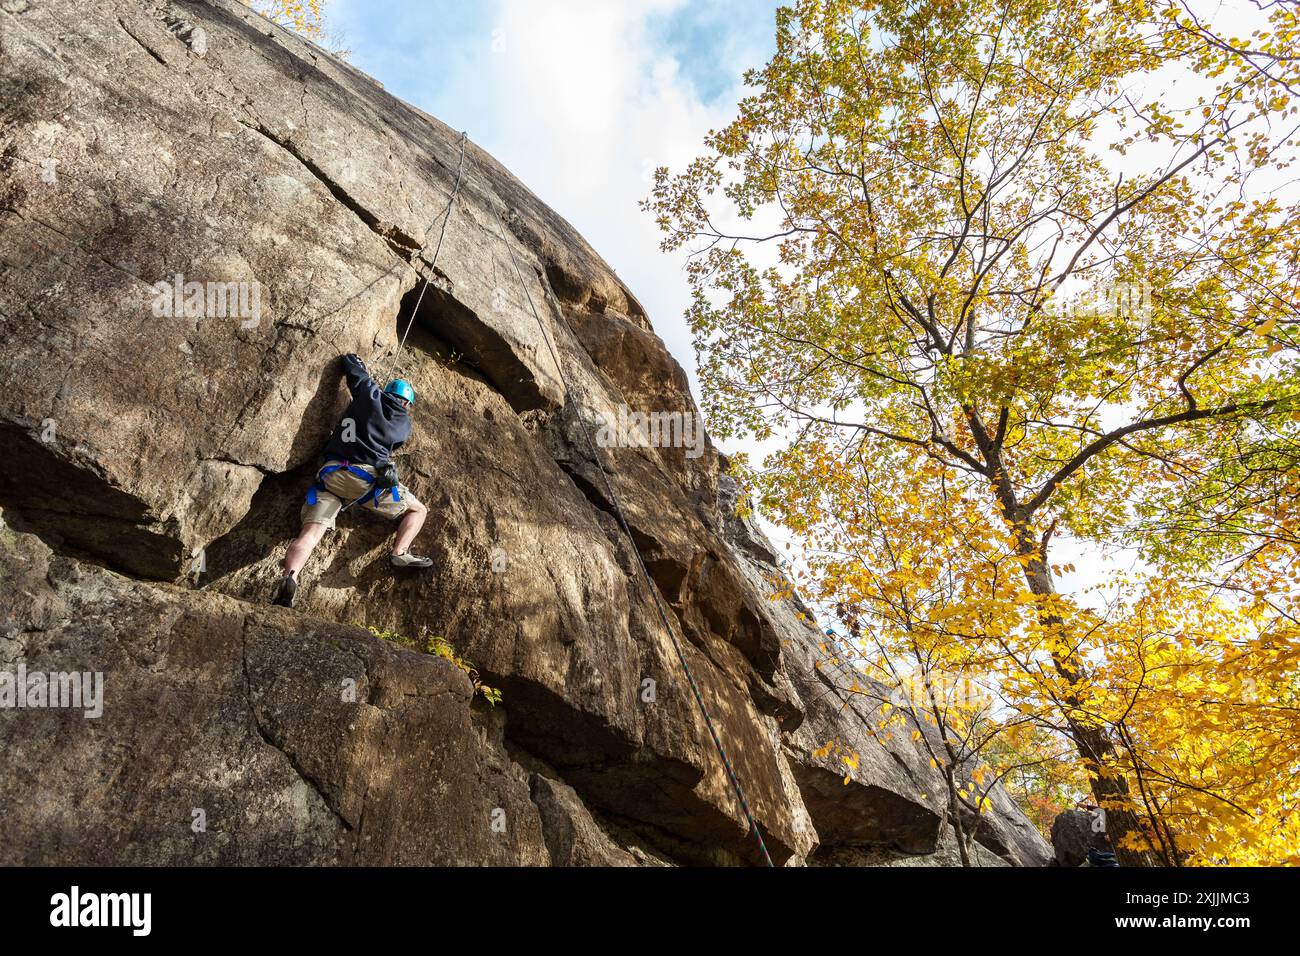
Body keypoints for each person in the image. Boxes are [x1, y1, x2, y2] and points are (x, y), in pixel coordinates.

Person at [272, 353, 432, 608]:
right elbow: (389, 446)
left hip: (330, 475)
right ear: (407, 404)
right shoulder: (404, 425)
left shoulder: (369, 394)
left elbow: (351, 366)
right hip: (365, 484)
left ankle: (290, 576)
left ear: (386, 391)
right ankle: (399, 553)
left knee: (310, 535)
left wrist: (357, 362)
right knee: (418, 509)